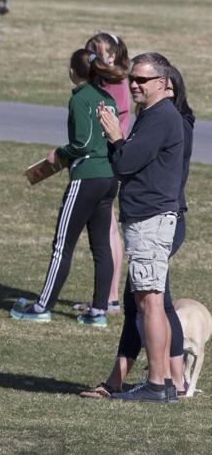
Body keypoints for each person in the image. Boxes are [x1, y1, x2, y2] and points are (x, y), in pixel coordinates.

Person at [82, 65, 194, 401]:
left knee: (151, 304)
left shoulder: (162, 118)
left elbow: (126, 162)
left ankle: (159, 384)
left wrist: (116, 135)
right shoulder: (156, 116)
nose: (133, 84)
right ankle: (164, 383)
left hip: (152, 219)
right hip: (150, 217)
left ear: (165, 84)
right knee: (148, 302)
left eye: (141, 80)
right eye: (131, 78)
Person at [10, 49, 125, 325]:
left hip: (86, 177)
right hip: (109, 177)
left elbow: (83, 144)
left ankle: (41, 308)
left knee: (63, 245)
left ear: (74, 72)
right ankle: (98, 311)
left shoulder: (80, 98)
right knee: (101, 247)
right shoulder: (107, 98)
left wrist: (60, 153)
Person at [76, 32, 131, 314]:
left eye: (94, 54)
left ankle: (110, 298)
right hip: (106, 159)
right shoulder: (110, 80)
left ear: (110, 55)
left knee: (108, 230)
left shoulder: (114, 82)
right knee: (106, 227)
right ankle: (107, 297)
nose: (90, 59)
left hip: (107, 160)